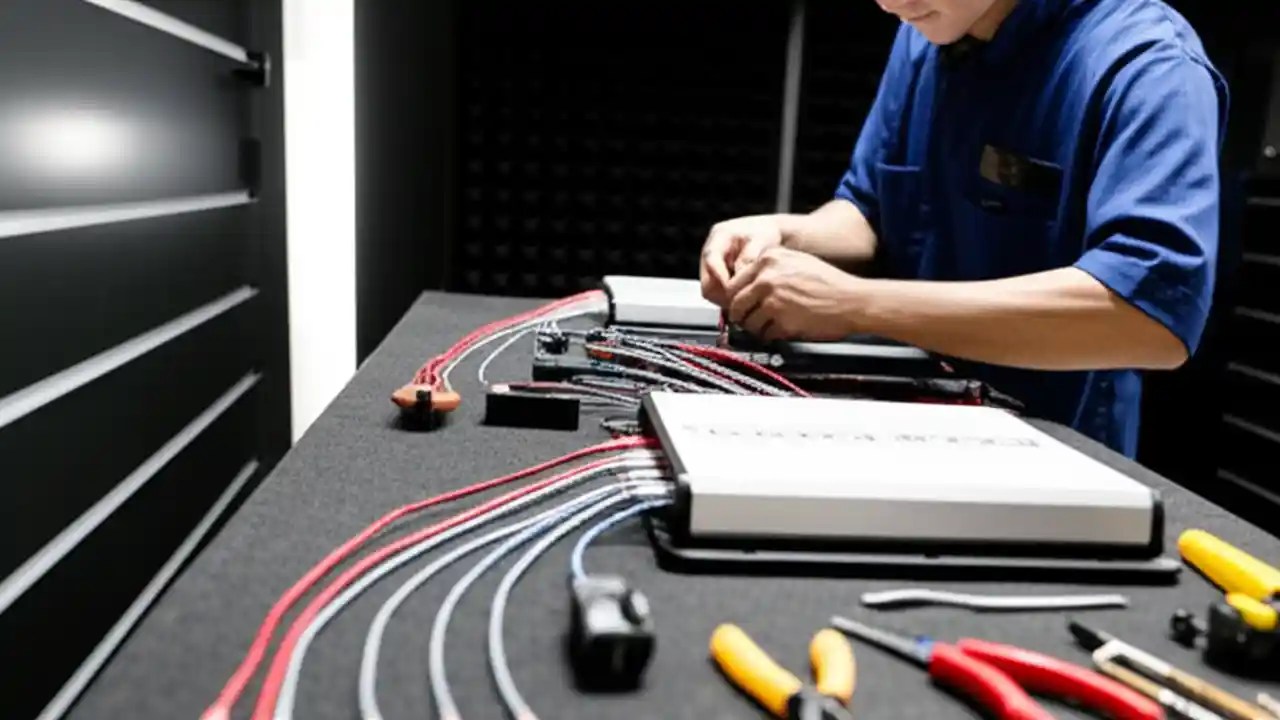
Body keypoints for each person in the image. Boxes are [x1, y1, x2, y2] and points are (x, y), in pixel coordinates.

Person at [699, 0, 1228, 457]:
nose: (888, 3)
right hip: (909, 428)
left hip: (1056, 463)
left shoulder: (1151, 67)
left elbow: (1148, 319)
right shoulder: (925, 34)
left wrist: (854, 304)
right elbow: (872, 211)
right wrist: (791, 237)